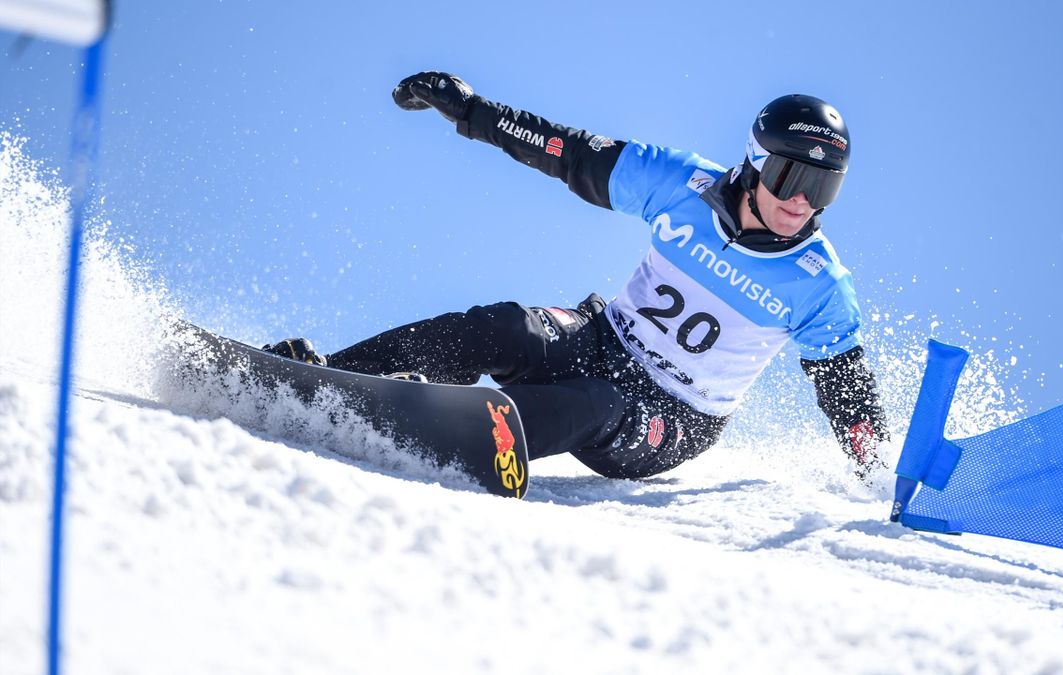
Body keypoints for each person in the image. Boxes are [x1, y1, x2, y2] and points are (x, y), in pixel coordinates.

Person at [266, 71, 889, 481]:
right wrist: (473, 110)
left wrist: (880, 473)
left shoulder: (819, 283)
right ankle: (329, 380)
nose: (802, 202)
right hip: (602, 340)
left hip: (673, 418)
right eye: (790, 178)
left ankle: (451, 439)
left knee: (598, 404)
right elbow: (568, 153)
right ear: (754, 164)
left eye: (823, 186)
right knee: (506, 327)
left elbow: (848, 396)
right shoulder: (683, 185)